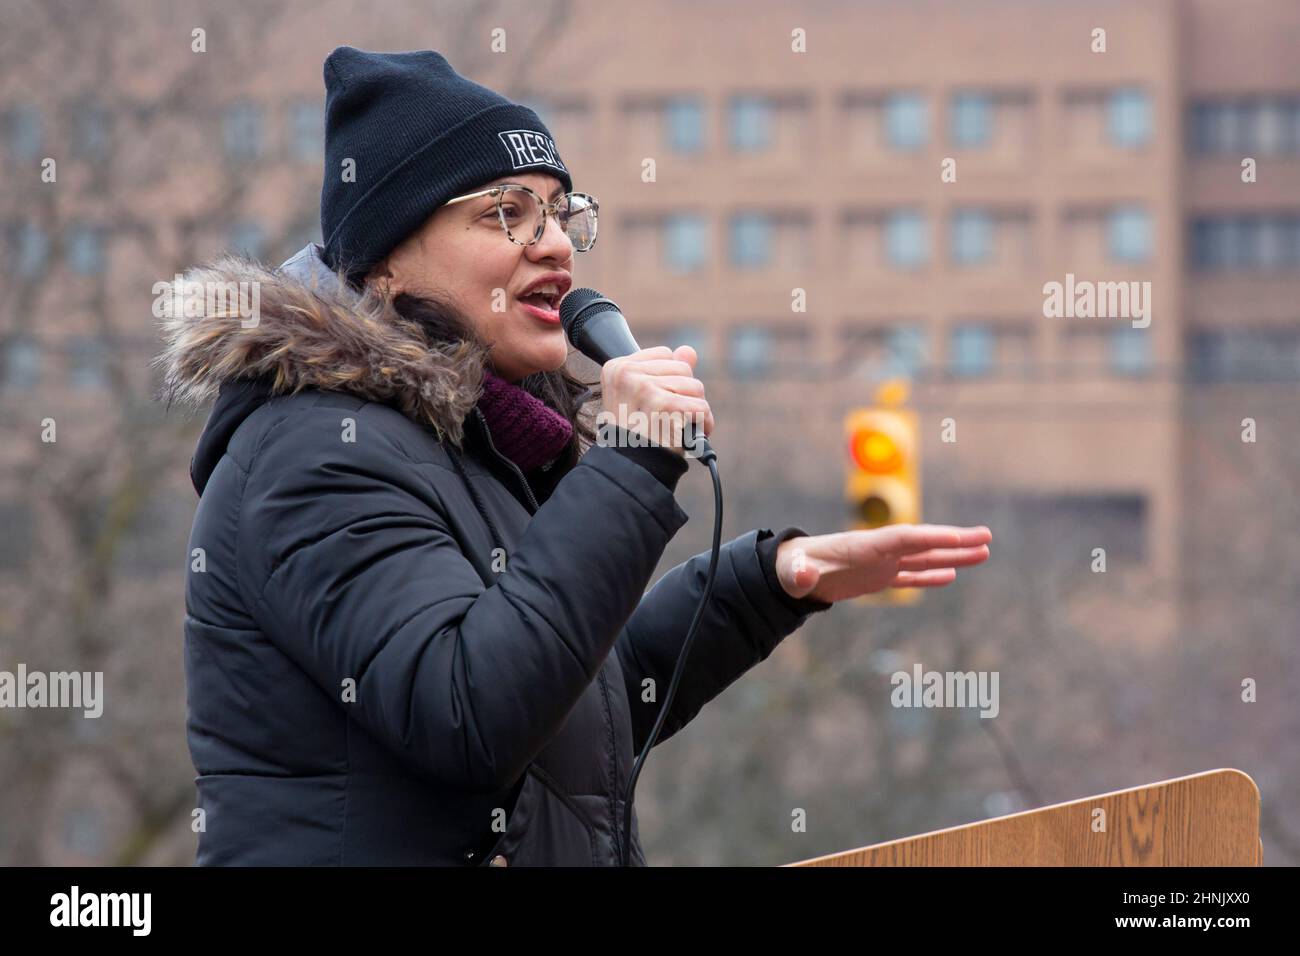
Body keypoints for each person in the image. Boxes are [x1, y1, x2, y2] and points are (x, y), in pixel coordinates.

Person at [153, 46, 992, 866]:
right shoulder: (314, 450)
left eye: (560, 212)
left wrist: (765, 585)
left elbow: (573, 707)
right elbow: (471, 713)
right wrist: (629, 463)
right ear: (385, 264)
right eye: (505, 213)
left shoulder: (482, 446)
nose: (554, 244)